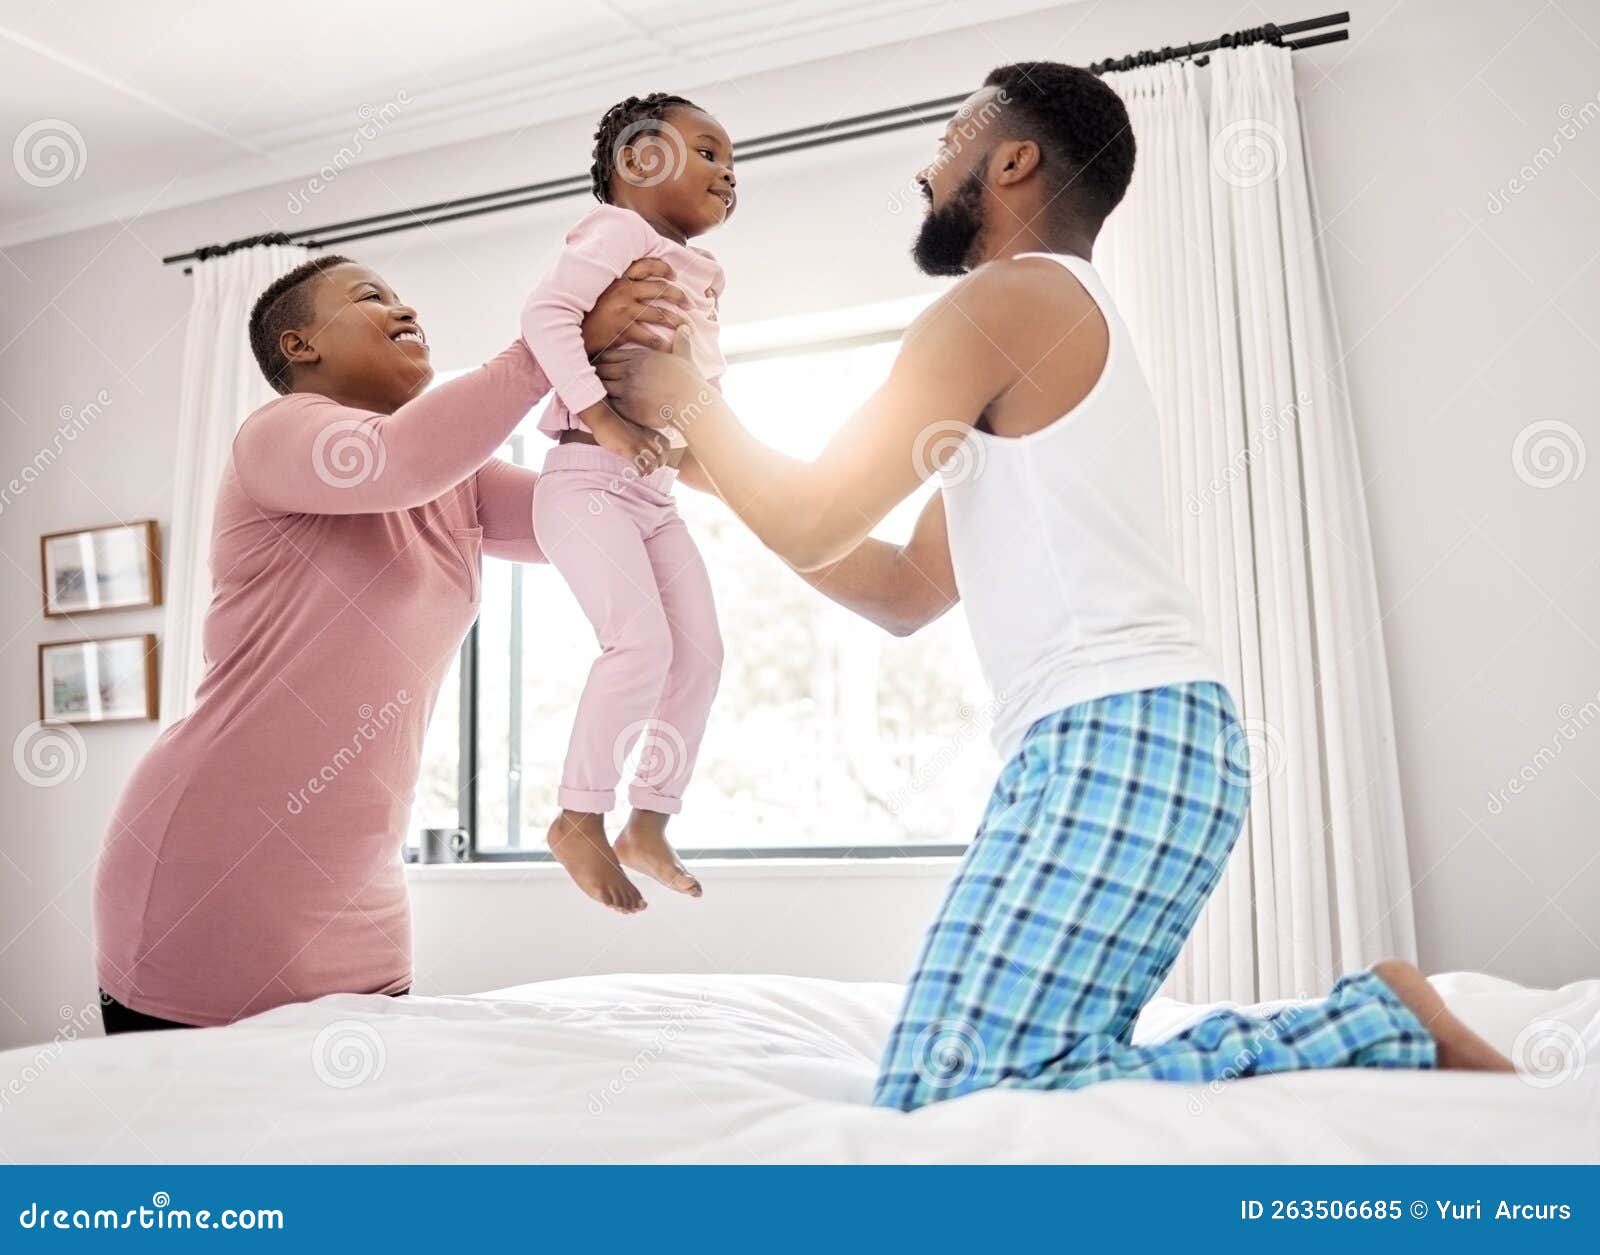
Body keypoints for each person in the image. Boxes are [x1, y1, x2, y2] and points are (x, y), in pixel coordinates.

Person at [596, 61, 1515, 1108]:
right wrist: (696, 466)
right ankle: (1365, 1024)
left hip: (1119, 731)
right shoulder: (1034, 326)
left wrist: (693, 402)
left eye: (947, 140)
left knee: (956, 1092)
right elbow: (902, 589)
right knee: (949, 1085)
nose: (923, 171)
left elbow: (814, 513)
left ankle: (1367, 1024)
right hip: (1101, 740)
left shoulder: (1007, 303)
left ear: (1012, 156)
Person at [92, 254, 685, 1032]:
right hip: (214, 875)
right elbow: (398, 461)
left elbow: (586, 521)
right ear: (299, 346)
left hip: (362, 898)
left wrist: (641, 402)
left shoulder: (459, 478)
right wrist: (554, 339)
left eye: (404, 295)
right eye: (372, 297)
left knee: (350, 1144)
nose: (406, 309)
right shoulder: (277, 434)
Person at [521, 92, 736, 913]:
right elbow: (545, 313)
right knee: (638, 647)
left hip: (655, 493)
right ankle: (579, 817)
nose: (728, 174)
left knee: (701, 654)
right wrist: (602, 418)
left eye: (732, 164)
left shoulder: (706, 274)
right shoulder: (618, 232)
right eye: (710, 152)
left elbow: (695, 399)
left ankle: (646, 822)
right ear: (640, 161)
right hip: (584, 480)